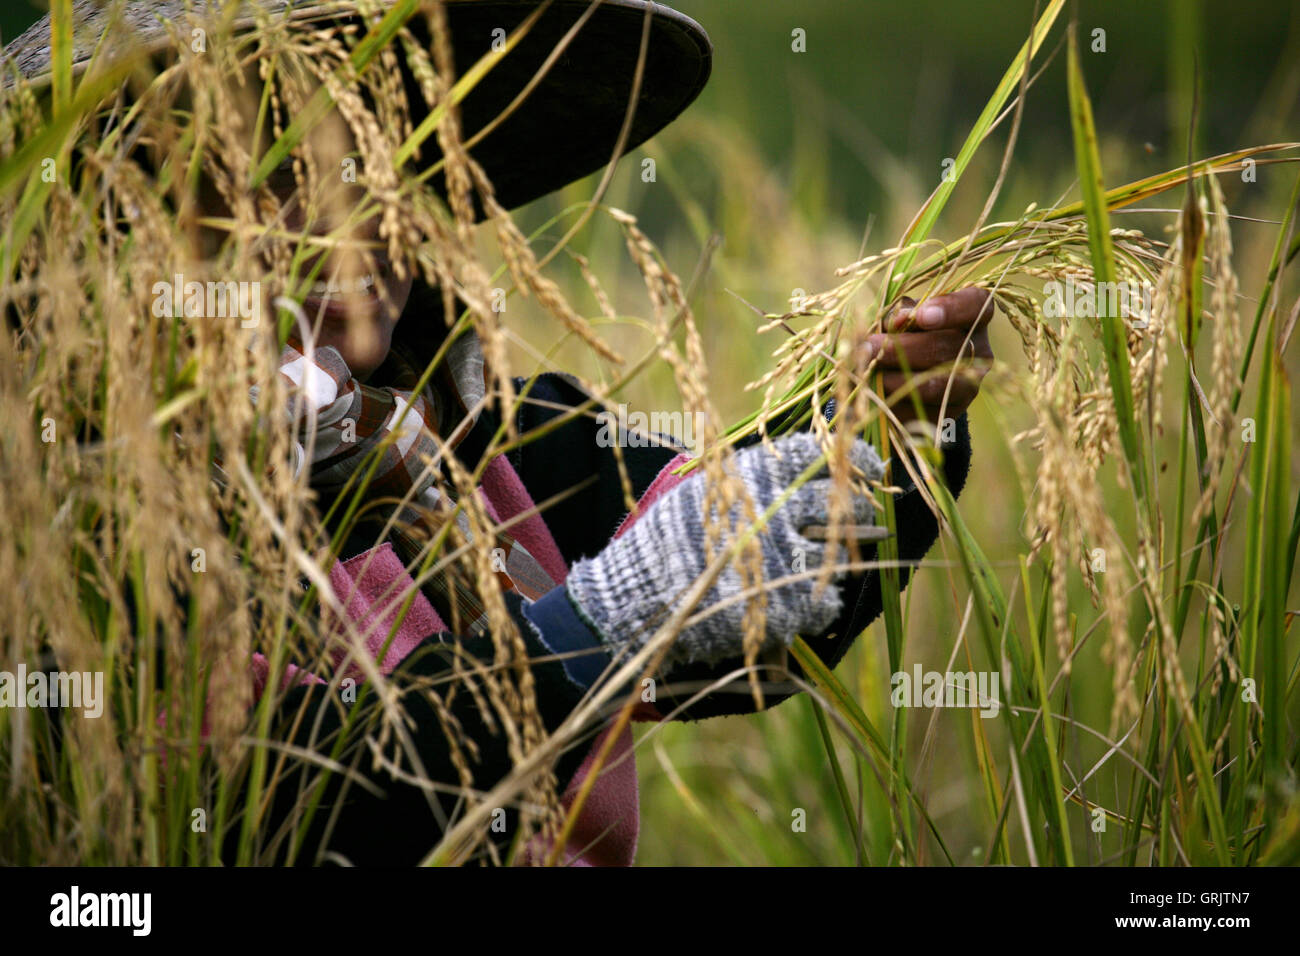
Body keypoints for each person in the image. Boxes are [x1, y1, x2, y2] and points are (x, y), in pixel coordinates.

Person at [4, 0, 996, 865]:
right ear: (125, 208)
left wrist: (887, 424)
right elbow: (319, 814)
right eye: (285, 171)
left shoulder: (498, 440)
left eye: (389, 169)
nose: (366, 230)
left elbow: (757, 626)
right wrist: (594, 623)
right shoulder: (56, 537)